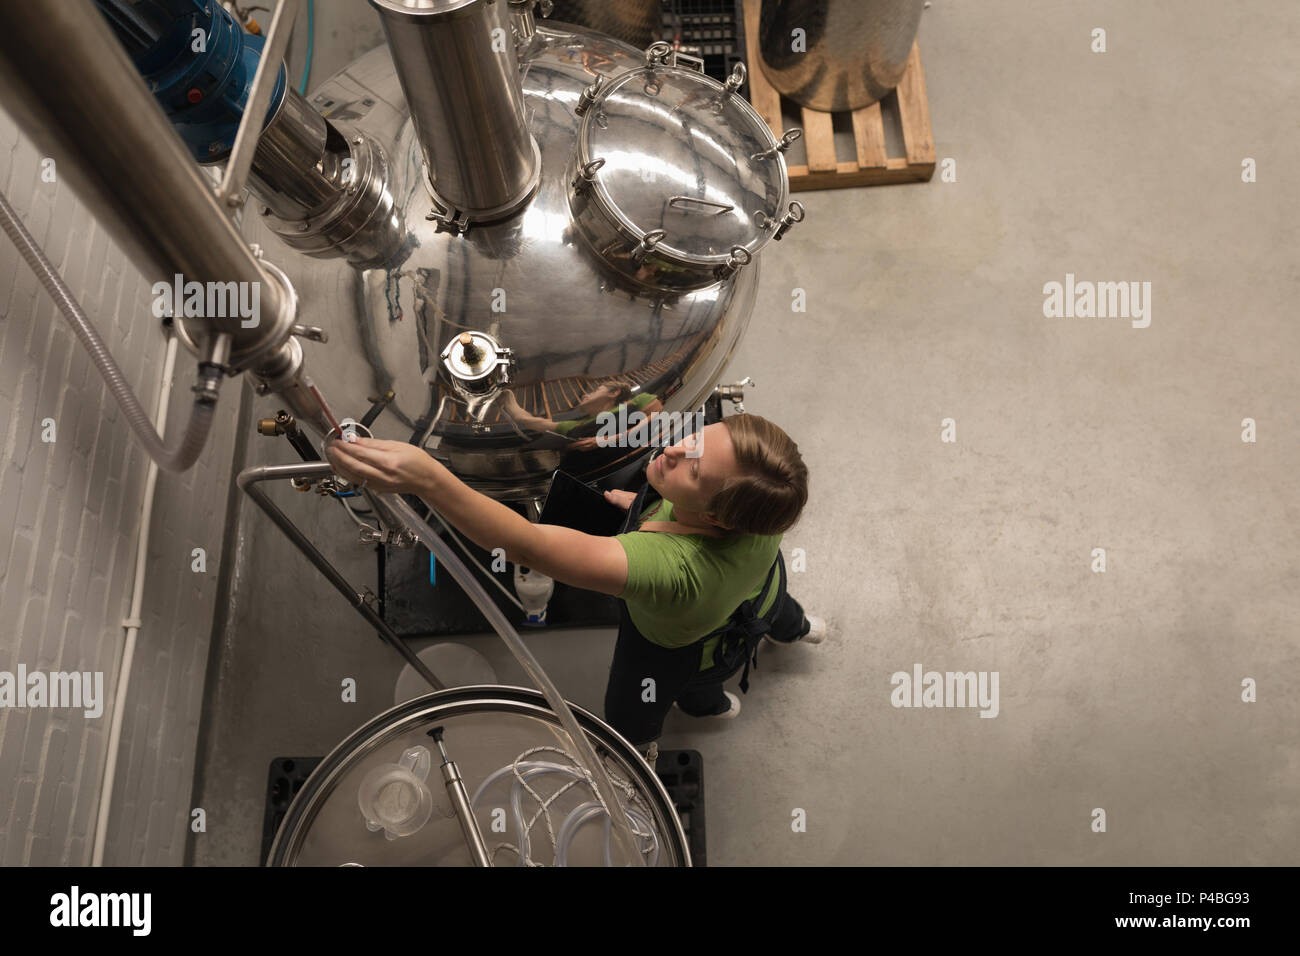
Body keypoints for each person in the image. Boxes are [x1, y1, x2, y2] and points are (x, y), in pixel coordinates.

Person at [323, 413, 822, 749]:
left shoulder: (670, 570)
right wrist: (649, 505)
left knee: (638, 709)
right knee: (778, 608)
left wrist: (428, 477)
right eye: (696, 436)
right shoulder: (765, 507)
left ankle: (703, 711)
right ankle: (798, 631)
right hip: (762, 586)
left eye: (693, 473)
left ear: (718, 518)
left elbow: (525, 544)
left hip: (676, 647)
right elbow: (697, 492)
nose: (675, 449)